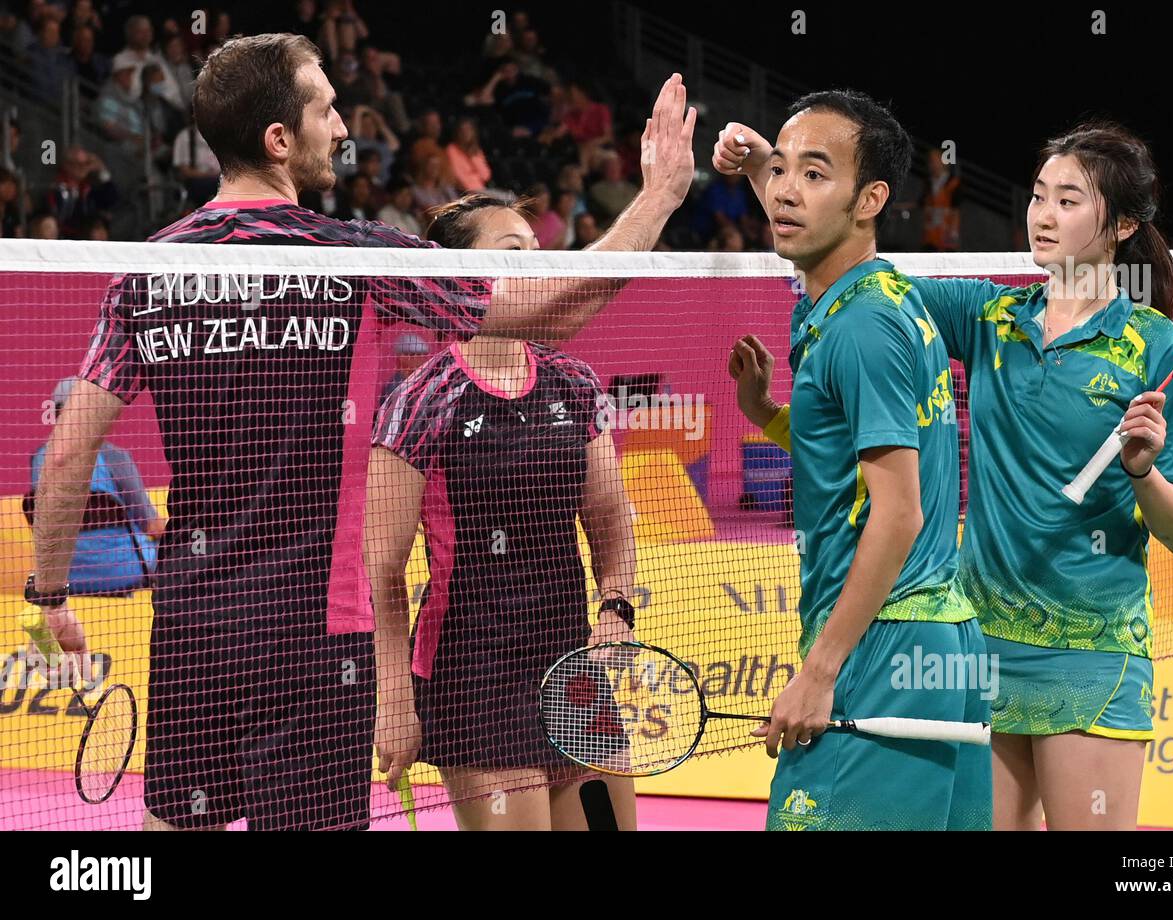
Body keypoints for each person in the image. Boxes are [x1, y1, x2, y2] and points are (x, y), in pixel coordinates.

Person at [27, 32, 696, 832]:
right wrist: (657, 196)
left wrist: (52, 591)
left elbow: (71, 446)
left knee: (179, 824)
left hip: (196, 623)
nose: (344, 129)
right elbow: (553, 311)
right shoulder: (345, 253)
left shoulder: (150, 267)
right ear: (280, 140)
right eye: (326, 109)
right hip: (317, 628)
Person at [722, 115, 1173, 830]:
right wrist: (774, 168)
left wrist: (1141, 473)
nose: (1043, 215)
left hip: (1091, 652)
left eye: (1069, 202)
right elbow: (854, 271)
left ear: (1124, 224)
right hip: (977, 648)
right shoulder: (990, 315)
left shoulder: (1156, 350)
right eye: (1040, 195)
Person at [715, 90, 991, 831]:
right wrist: (766, 415)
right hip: (946, 646)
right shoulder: (862, 298)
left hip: (882, 643)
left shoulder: (859, 328)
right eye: (782, 174)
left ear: (870, 199)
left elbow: (898, 512)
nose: (785, 192)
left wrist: (818, 671)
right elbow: (852, 467)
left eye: (814, 174)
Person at [368, 194, 637, 830]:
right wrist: (395, 696)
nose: (534, 266)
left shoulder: (574, 382)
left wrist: (616, 610)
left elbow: (610, 520)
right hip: (473, 674)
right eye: (511, 252)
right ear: (460, 277)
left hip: (572, 667)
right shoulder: (420, 402)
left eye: (536, 252)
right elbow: (381, 569)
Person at [31, 377, 164, 595]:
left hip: (62, 578)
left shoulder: (38, 460)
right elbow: (151, 526)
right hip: (126, 571)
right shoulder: (116, 458)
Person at [379, 331, 429, 405]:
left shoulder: (424, 380)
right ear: (402, 357)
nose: (419, 359)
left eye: (422, 355)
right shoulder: (395, 386)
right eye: (413, 355)